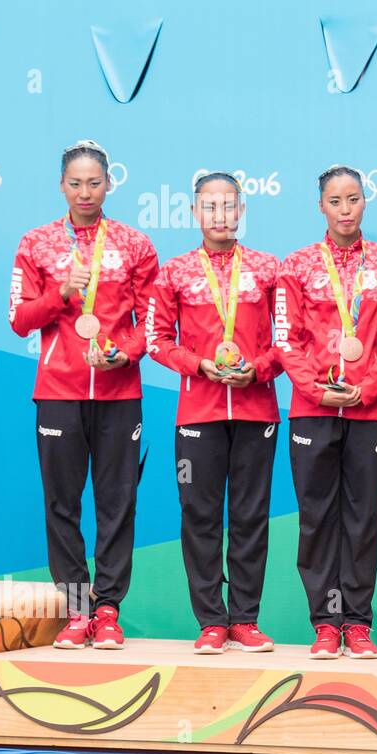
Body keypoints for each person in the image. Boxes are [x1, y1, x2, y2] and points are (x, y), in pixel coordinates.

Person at [8, 140, 159, 650]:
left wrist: (123, 352)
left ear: (109, 184)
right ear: (61, 186)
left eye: (94, 182)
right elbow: (19, 319)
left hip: (119, 395)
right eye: (76, 183)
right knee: (62, 504)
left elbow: (152, 324)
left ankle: (109, 609)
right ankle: (77, 609)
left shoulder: (135, 245)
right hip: (58, 392)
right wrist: (62, 295)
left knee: (118, 503)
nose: (85, 192)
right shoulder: (36, 244)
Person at [146, 172, 283, 655]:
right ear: (193, 213)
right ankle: (210, 620)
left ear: (242, 210)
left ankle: (245, 620)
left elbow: (287, 339)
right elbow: (156, 339)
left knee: (250, 516)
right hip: (197, 411)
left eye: (229, 206)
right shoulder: (176, 271)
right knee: (200, 516)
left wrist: (260, 370)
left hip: (256, 409)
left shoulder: (269, 269)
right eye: (210, 207)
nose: (220, 216)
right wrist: (198, 365)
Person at [277, 166, 377, 660]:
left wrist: (365, 389)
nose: (346, 209)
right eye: (336, 201)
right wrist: (315, 389)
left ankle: (356, 622)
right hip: (311, 411)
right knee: (316, 518)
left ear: (365, 202)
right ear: (321, 207)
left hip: (367, 411)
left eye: (353, 199)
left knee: (363, 519)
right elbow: (287, 339)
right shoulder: (296, 266)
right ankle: (325, 624)